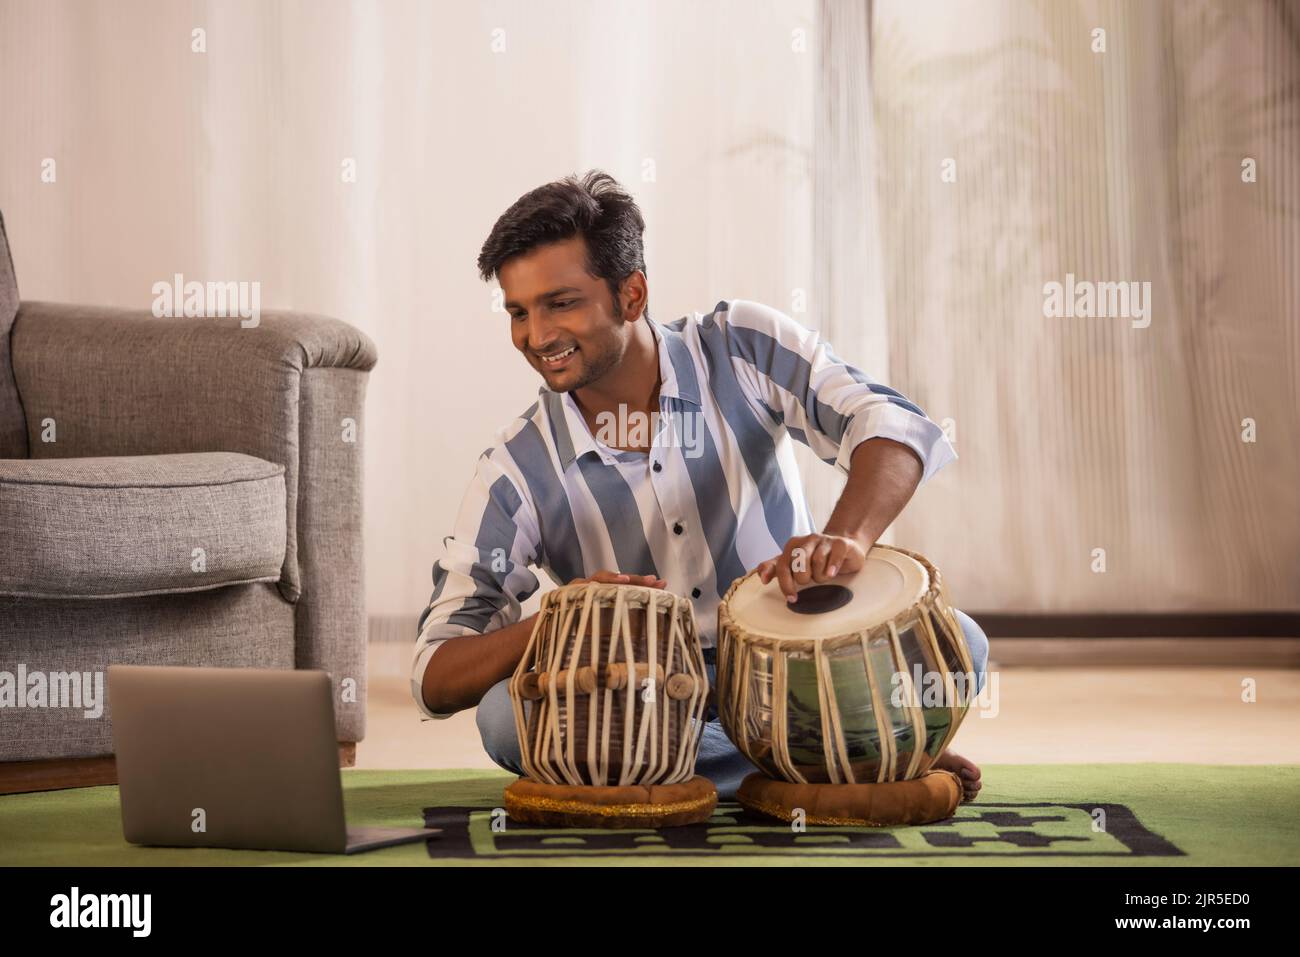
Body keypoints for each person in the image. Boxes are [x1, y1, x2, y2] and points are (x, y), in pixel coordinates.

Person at [411, 170, 987, 802]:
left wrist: (847, 537)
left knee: (962, 642)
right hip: (637, 699)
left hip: (790, 669)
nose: (536, 336)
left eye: (561, 302)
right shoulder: (515, 468)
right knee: (503, 720)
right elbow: (435, 673)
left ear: (631, 295)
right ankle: (835, 756)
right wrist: (558, 617)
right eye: (518, 312)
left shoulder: (739, 346)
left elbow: (890, 424)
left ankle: (693, 776)